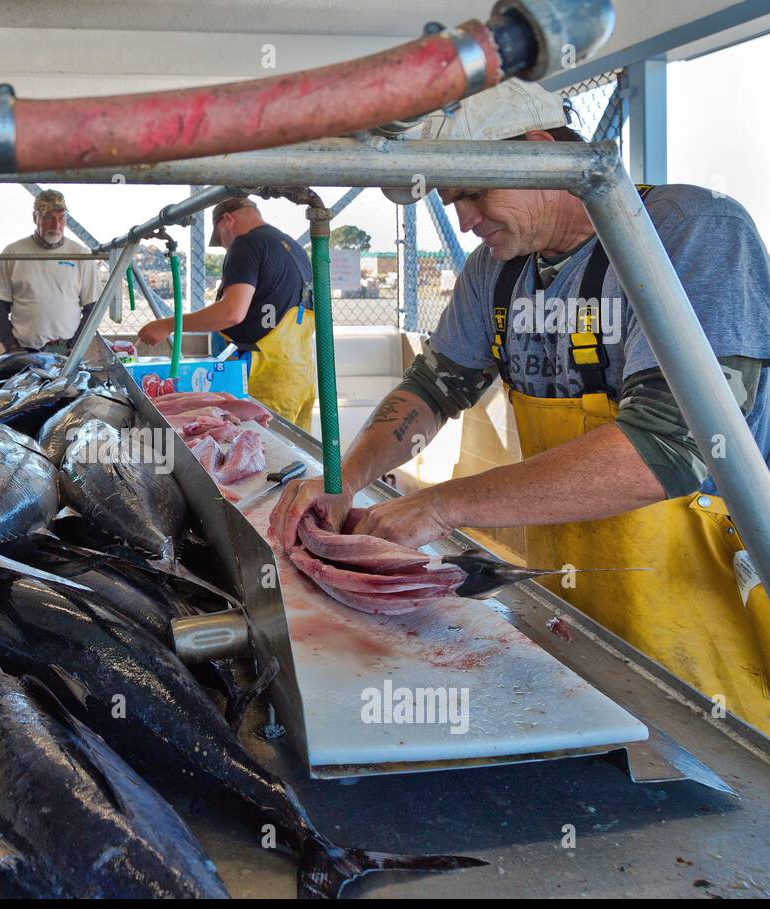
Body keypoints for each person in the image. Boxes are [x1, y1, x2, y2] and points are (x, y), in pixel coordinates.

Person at [272, 79, 770, 733]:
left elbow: (668, 448)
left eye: (474, 193)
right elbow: (433, 389)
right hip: (583, 602)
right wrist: (345, 478)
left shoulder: (691, 232)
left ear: (539, 152)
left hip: (708, 610)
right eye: (453, 202)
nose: (464, 221)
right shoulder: (496, 269)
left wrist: (438, 505)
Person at [137, 196, 317, 426]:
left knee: (253, 446)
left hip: (263, 379)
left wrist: (167, 324)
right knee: (292, 447)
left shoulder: (246, 243)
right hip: (299, 378)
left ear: (227, 220)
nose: (225, 246)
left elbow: (232, 312)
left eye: (221, 239)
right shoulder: (291, 247)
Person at [0, 189, 101, 355]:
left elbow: (93, 308)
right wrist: (12, 348)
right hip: (24, 351)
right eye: (48, 217)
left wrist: (75, 346)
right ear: (35, 218)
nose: (56, 225)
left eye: (61, 218)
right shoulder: (12, 253)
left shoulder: (81, 255)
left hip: (67, 351)